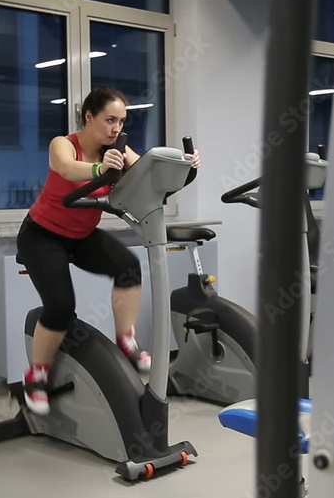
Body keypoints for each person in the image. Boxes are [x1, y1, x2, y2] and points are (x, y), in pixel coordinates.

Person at [16, 86, 201, 415]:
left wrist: (186, 167)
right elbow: (65, 168)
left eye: (122, 121)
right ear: (90, 117)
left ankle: (126, 342)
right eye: (110, 120)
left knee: (128, 267)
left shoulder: (119, 148)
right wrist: (99, 170)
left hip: (82, 234)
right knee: (60, 308)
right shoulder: (65, 144)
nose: (117, 128)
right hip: (41, 236)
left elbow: (151, 174)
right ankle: (37, 376)